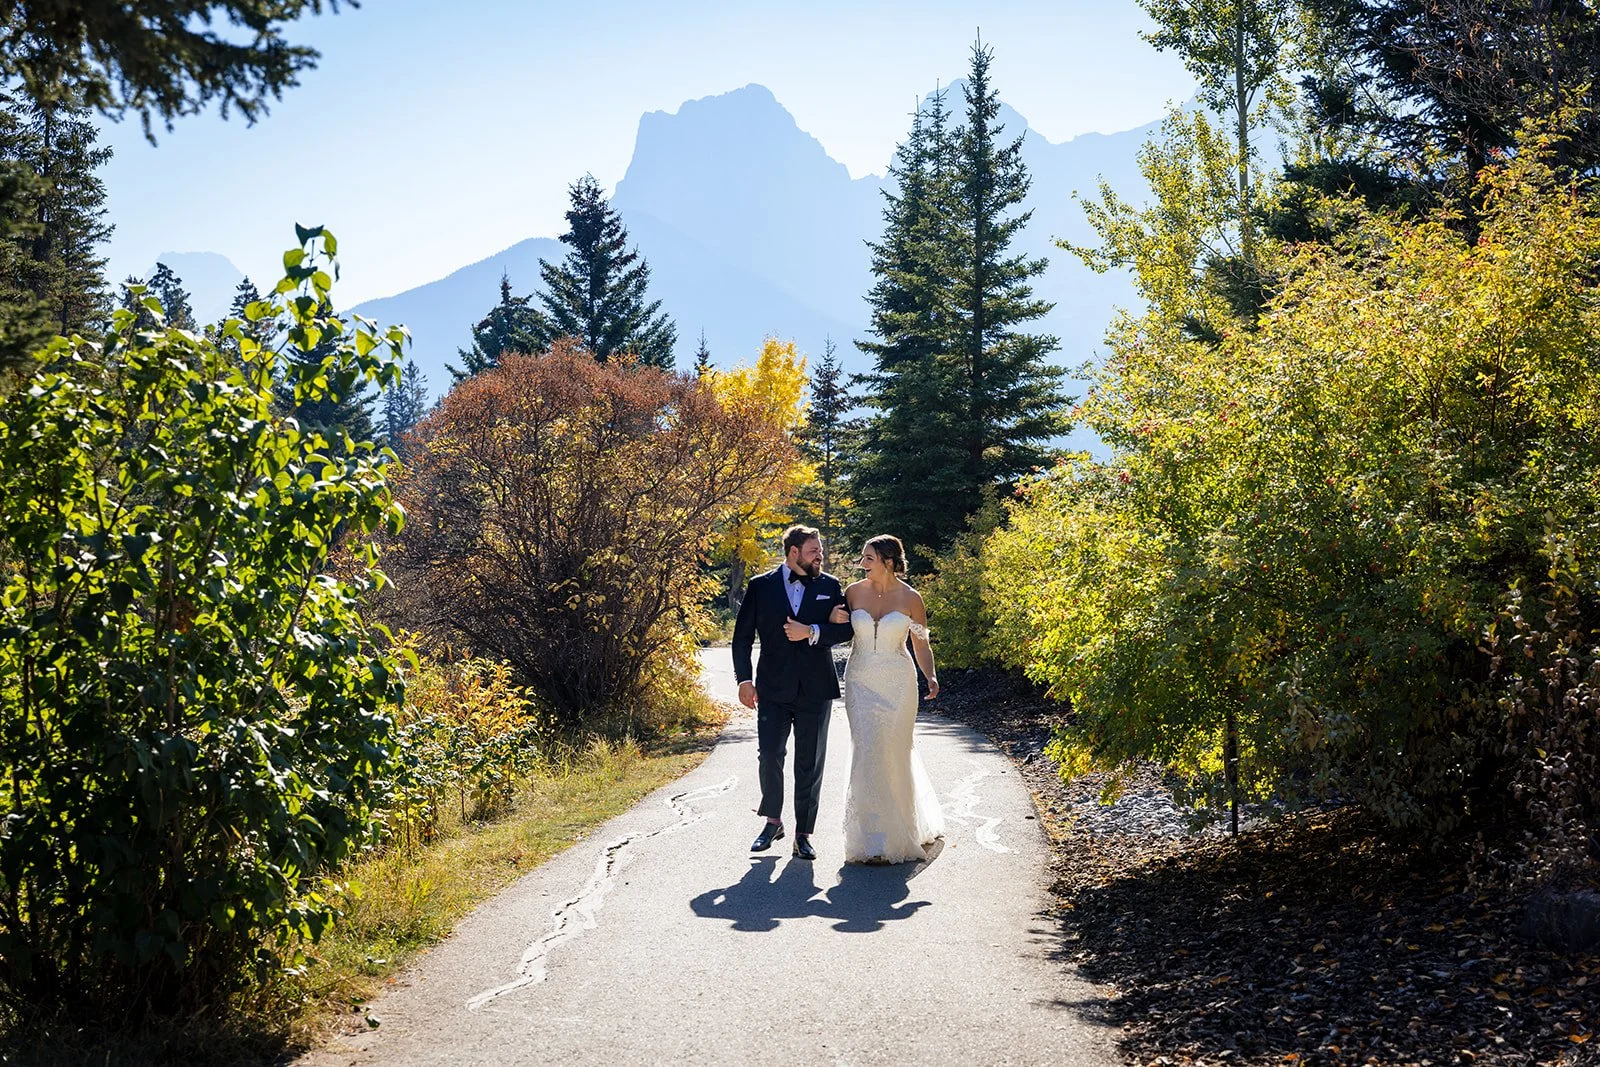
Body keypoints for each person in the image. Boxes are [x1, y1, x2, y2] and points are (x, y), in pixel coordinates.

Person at [731, 525, 853, 860]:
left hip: (815, 688)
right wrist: (744, 680)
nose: (821, 556)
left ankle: (803, 834)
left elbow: (845, 629)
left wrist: (812, 631)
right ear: (794, 552)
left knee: (809, 762)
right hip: (772, 686)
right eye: (814, 550)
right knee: (769, 754)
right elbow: (741, 637)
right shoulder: (760, 586)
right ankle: (773, 821)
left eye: (821, 551)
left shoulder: (830, 586)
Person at [828, 534, 944, 864]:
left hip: (899, 683)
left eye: (868, 558)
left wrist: (930, 675)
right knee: (866, 749)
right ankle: (870, 839)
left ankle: (898, 833)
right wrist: (834, 620)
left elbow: (921, 643)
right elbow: (835, 627)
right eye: (863, 557)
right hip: (860, 679)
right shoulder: (852, 593)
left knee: (893, 751)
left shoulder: (911, 599)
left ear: (888, 562)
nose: (862, 564)